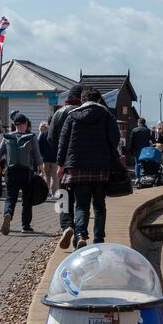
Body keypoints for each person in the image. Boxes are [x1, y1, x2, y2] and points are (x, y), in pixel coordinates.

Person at [56, 88, 122, 248]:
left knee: (81, 204)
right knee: (99, 205)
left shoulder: (72, 116)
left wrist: (60, 164)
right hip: (101, 167)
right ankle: (98, 239)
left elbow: (63, 142)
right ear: (99, 100)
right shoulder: (106, 115)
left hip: (77, 167)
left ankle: (80, 235)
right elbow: (115, 138)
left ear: (82, 100)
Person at [0, 112, 42, 234]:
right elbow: (37, 155)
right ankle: (25, 226)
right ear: (26, 124)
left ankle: (8, 214)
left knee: (11, 198)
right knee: (27, 199)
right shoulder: (31, 136)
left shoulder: (7, 137)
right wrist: (41, 168)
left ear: (14, 125)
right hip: (26, 172)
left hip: (11, 172)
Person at [49, 85, 84, 235]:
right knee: (80, 196)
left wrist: (59, 149)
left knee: (63, 193)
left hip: (62, 160)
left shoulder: (58, 113)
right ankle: (78, 227)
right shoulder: (83, 112)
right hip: (81, 160)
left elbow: (50, 138)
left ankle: (65, 225)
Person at [37, 120, 58, 198]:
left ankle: (45, 193)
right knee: (54, 177)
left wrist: (42, 156)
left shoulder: (43, 134)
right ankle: (54, 193)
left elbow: (39, 147)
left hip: (45, 159)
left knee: (46, 177)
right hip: (55, 159)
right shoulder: (57, 134)